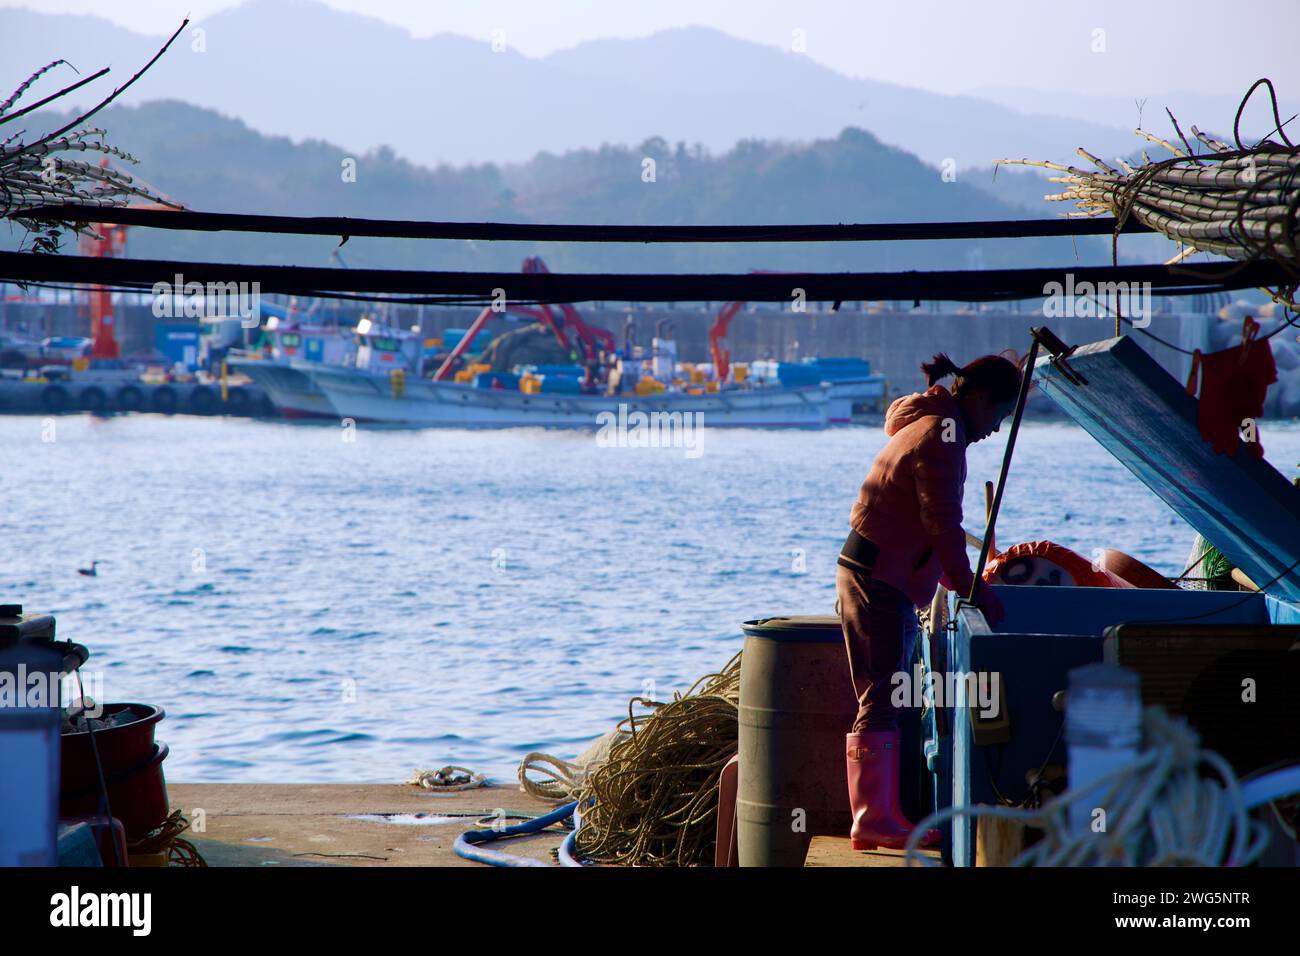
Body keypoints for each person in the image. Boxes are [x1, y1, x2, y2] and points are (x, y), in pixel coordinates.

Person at [838, 350, 1019, 850]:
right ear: (977, 398)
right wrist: (973, 587)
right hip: (879, 579)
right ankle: (872, 820)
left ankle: (877, 816)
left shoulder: (925, 420)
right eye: (999, 414)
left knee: (881, 693)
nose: (996, 429)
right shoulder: (943, 437)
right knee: (881, 695)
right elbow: (943, 524)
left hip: (869, 571)